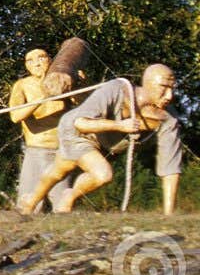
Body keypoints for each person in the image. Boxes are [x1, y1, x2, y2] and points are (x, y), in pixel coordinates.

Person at [18, 64, 183, 216]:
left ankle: (31, 200)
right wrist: (119, 126)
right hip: (77, 130)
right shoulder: (117, 89)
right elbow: (80, 123)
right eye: (163, 88)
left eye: (172, 88)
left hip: (104, 142)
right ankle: (68, 196)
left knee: (60, 168)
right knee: (101, 174)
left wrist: (168, 215)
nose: (169, 95)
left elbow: (170, 167)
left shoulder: (167, 118)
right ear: (147, 84)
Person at [9, 47, 71, 212]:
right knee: (27, 206)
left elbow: (85, 107)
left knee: (63, 205)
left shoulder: (62, 81)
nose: (36, 63)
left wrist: (79, 83)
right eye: (30, 60)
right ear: (26, 66)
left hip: (61, 152)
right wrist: (43, 96)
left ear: (50, 60)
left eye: (41, 57)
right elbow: (15, 116)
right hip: (35, 151)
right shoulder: (22, 85)